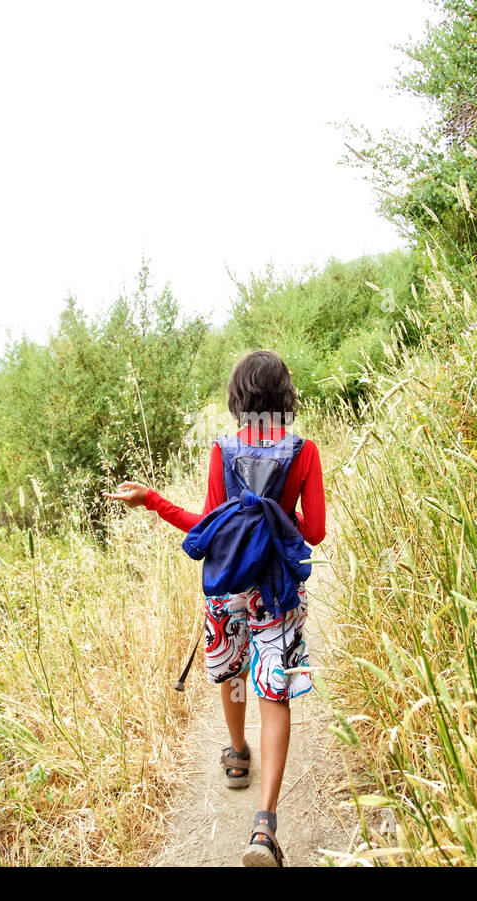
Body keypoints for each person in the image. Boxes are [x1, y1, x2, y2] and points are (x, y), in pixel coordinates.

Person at [104, 349, 325, 866]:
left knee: (233, 671)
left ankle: (237, 755)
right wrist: (276, 523)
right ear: (284, 395)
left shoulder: (223, 449)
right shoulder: (305, 450)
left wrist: (152, 500)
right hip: (278, 594)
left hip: (229, 589)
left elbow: (204, 526)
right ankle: (265, 826)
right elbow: (312, 532)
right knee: (276, 691)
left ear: (238, 397)